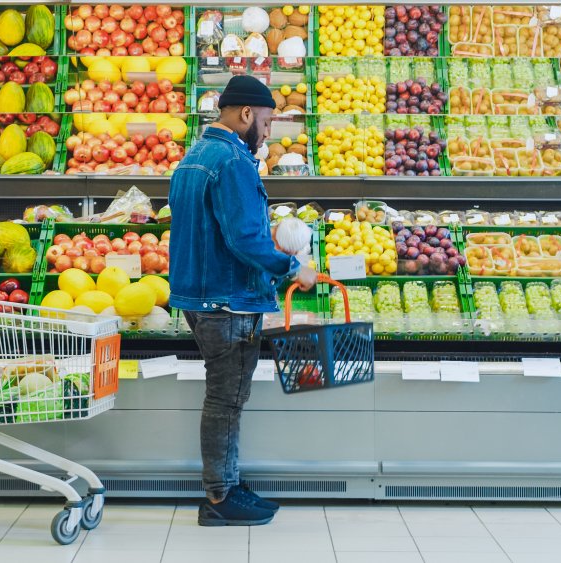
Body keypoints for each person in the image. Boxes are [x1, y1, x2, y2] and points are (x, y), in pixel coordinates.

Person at [168, 75, 318, 527]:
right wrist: (293, 268)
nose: (269, 132)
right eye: (268, 122)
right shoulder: (233, 161)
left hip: (200, 295)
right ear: (246, 114)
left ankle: (228, 483)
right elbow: (244, 238)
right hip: (228, 301)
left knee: (226, 396)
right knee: (226, 400)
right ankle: (218, 497)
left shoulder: (194, 156)